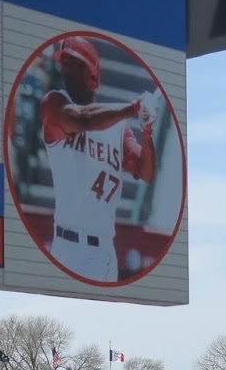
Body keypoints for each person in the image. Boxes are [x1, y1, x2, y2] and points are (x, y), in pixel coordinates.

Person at [36, 35, 158, 283]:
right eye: (64, 62)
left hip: (106, 250)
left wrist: (147, 133)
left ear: (92, 76)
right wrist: (133, 107)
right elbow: (83, 119)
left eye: (74, 63)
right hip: (68, 246)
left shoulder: (119, 128)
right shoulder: (55, 103)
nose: (65, 68)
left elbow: (146, 172)